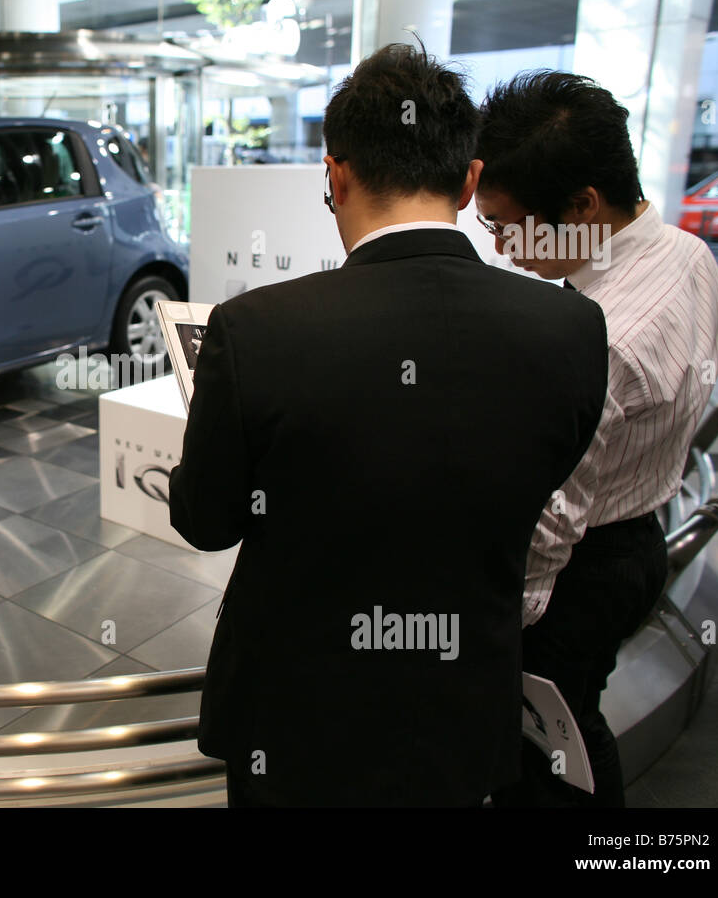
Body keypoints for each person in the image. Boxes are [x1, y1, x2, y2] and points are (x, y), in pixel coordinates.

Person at [168, 43, 610, 807]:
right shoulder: (571, 327)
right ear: (471, 181)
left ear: (335, 177)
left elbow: (207, 522)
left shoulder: (254, 331)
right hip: (465, 704)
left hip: (295, 716)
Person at [475, 71, 718, 807]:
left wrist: (505, 619)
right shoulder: (687, 254)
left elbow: (553, 521)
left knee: (547, 748)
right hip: (639, 527)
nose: (500, 247)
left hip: (583, 570)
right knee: (571, 726)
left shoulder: (602, 339)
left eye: (509, 226)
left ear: (584, 204)